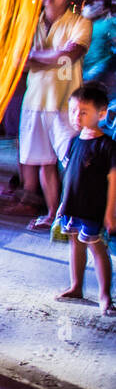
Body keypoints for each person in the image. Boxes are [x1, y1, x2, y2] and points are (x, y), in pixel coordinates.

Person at [4, 0, 91, 229]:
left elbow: (70, 56)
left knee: (73, 163)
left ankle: (78, 214)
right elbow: (19, 61)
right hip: (34, 103)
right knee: (44, 162)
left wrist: (38, 57)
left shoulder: (80, 23)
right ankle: (53, 214)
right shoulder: (32, 24)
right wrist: (53, 55)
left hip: (66, 105)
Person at [54, 82, 115, 316]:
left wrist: (110, 212)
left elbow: (113, 182)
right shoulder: (74, 141)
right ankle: (76, 287)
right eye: (73, 112)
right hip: (73, 206)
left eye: (83, 112)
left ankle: (105, 296)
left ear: (101, 114)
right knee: (75, 244)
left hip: (94, 208)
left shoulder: (107, 146)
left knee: (97, 248)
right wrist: (62, 204)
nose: (76, 117)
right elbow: (69, 175)